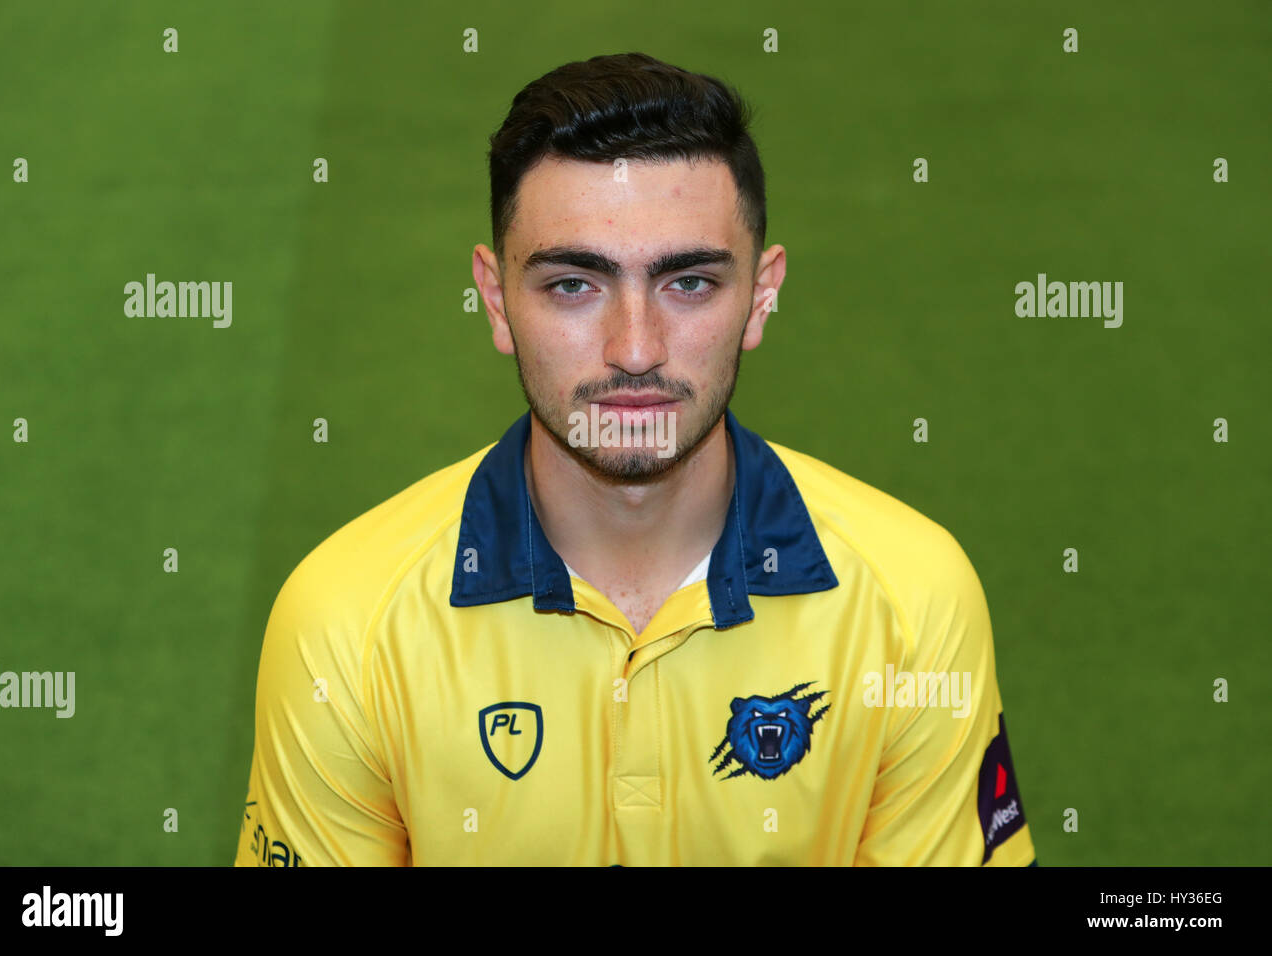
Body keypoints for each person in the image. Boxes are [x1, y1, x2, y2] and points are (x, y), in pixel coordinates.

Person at [235, 51, 1036, 866]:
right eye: (574, 285)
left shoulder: (915, 600)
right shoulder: (344, 620)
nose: (635, 349)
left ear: (762, 295)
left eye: (687, 282)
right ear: (495, 299)